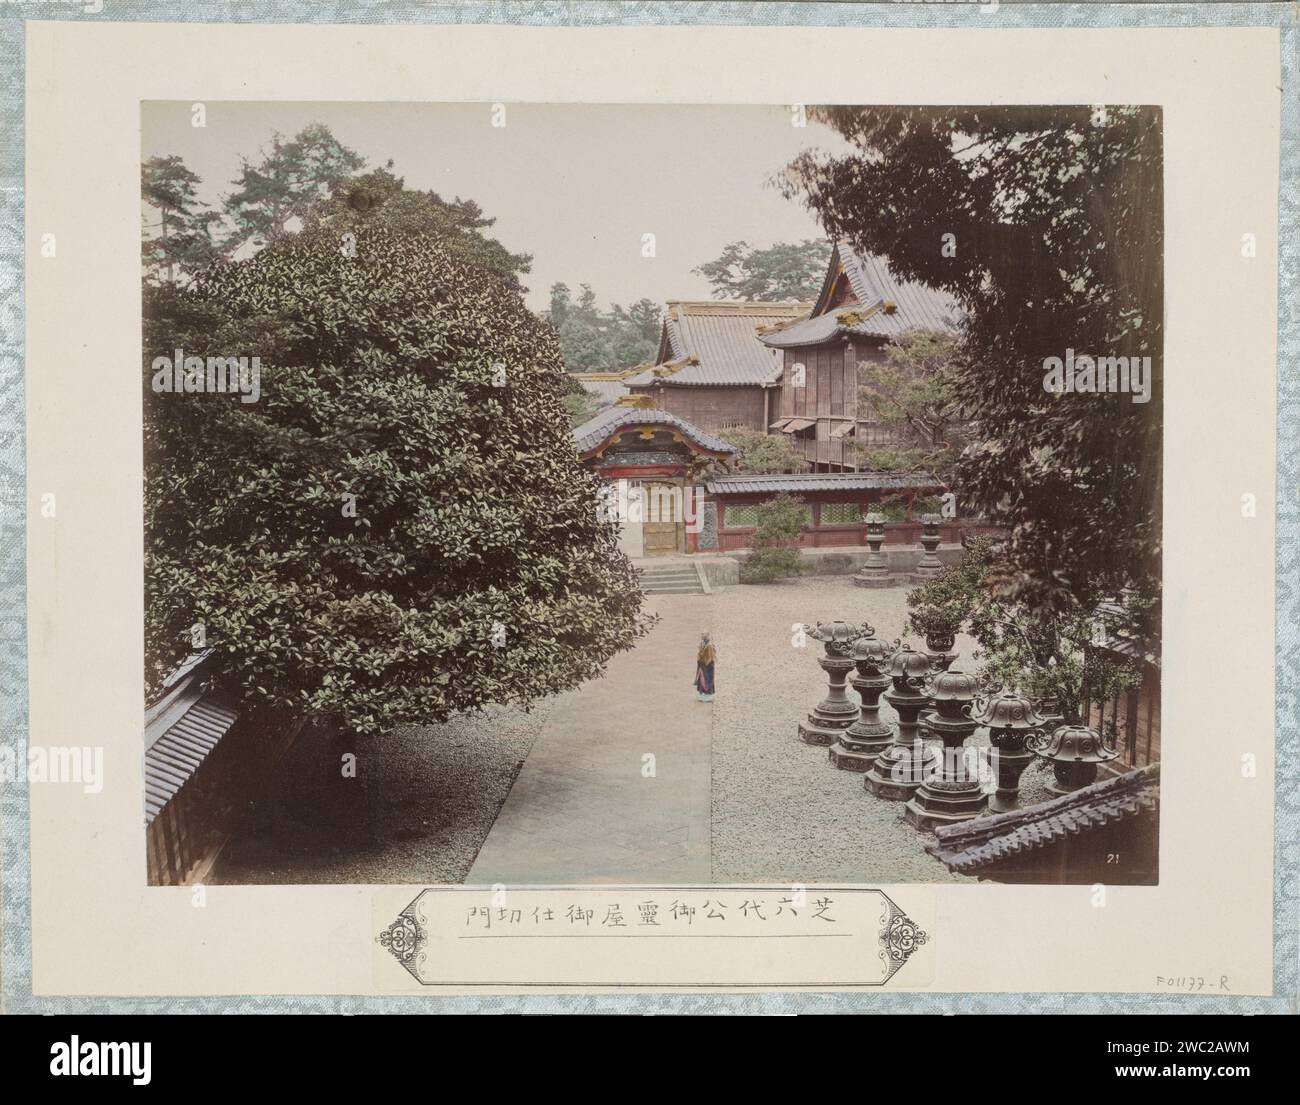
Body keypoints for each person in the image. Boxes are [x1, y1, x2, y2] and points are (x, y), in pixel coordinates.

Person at [694, 632, 716, 702]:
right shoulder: (703, 643)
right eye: (701, 634)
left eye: (703, 634)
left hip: (707, 666)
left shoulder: (709, 646)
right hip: (702, 665)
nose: (701, 636)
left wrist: (704, 663)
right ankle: (702, 695)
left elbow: (710, 657)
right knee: (701, 680)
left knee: (706, 680)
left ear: (706, 636)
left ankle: (707, 696)